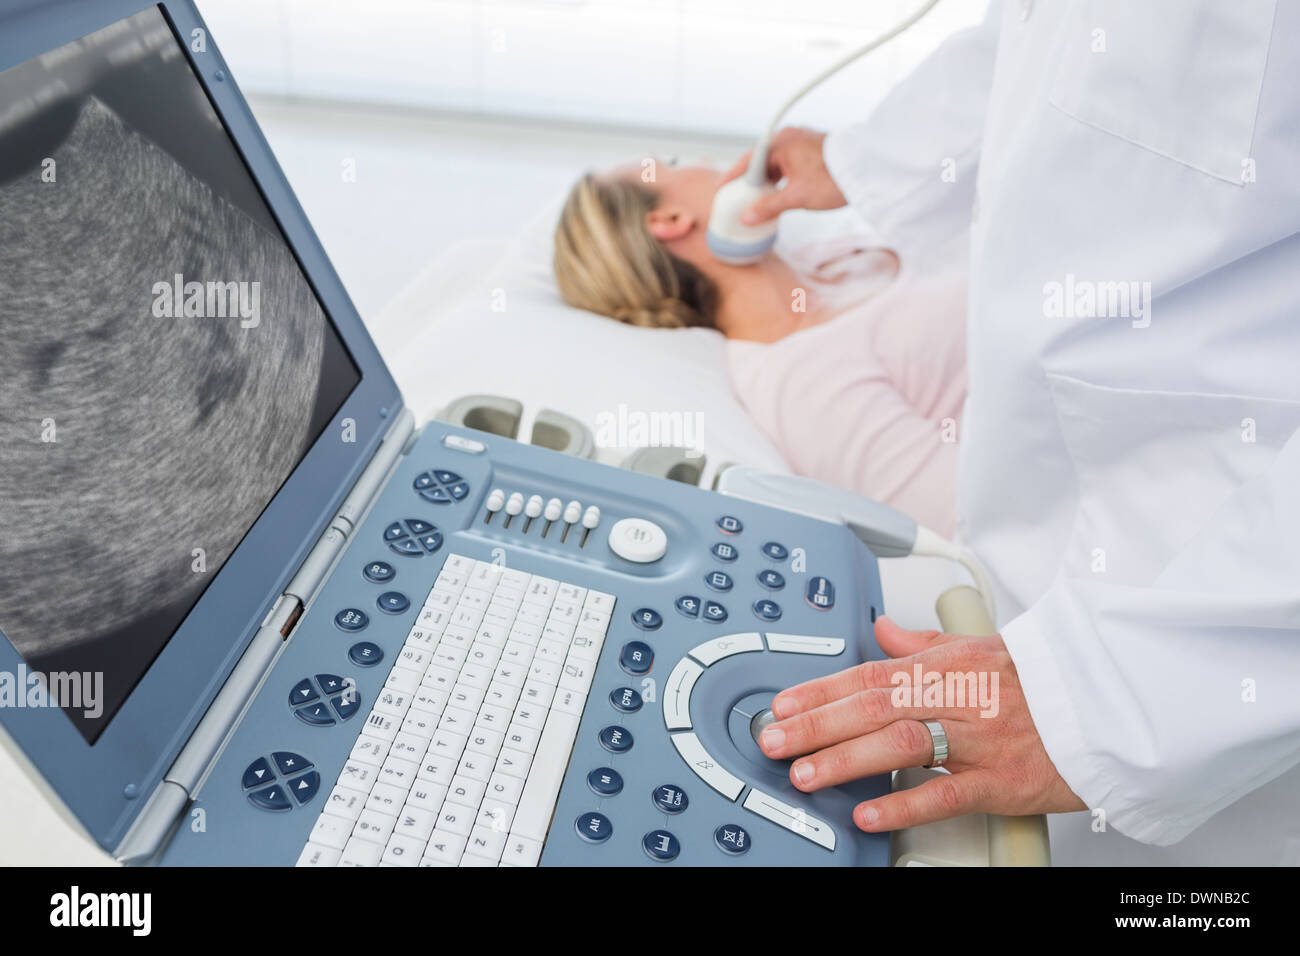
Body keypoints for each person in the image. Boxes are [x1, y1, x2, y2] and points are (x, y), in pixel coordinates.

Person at [720, 0, 1300, 865]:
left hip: (1221, 633)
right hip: (1043, 600)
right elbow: (1047, 43)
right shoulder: (800, 373)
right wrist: (862, 158)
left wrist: (1105, 699)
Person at [553, 168, 968, 536]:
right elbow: (970, 516)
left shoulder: (828, 257)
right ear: (670, 220)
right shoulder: (804, 384)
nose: (705, 164)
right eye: (673, 164)